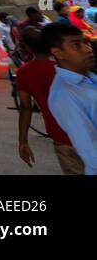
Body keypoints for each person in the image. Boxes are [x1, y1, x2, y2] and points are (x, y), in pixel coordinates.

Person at [15, 26, 83, 174]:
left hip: (60, 135)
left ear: (27, 46)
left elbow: (25, 107)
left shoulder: (24, 72)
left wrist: (23, 142)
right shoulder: (68, 65)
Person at [42, 21, 97, 174]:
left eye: (86, 42)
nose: (88, 49)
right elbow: (90, 151)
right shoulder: (64, 95)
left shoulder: (90, 78)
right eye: (76, 45)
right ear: (57, 53)